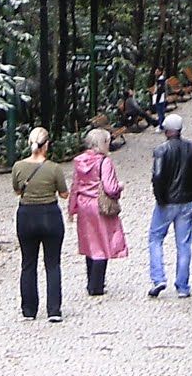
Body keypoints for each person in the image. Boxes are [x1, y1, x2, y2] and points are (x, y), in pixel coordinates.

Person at [11, 126, 68, 321]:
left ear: (29, 144)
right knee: (52, 263)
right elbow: (64, 194)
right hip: (50, 215)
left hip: (26, 216)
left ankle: (29, 310)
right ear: (47, 145)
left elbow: (17, 191)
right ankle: (54, 310)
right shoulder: (54, 168)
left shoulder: (18, 166)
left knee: (28, 263)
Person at [69, 127, 128, 296]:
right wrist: (119, 187)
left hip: (83, 205)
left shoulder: (79, 161)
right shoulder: (104, 161)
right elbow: (110, 188)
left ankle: (90, 282)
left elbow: (75, 186)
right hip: (99, 205)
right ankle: (97, 285)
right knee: (102, 243)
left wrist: (72, 208)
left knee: (89, 243)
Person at [147, 112, 192, 298]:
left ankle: (159, 278)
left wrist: (160, 198)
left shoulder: (161, 150)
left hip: (167, 201)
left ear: (166, 131)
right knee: (183, 244)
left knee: (155, 238)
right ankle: (183, 286)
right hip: (187, 201)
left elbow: (158, 176)